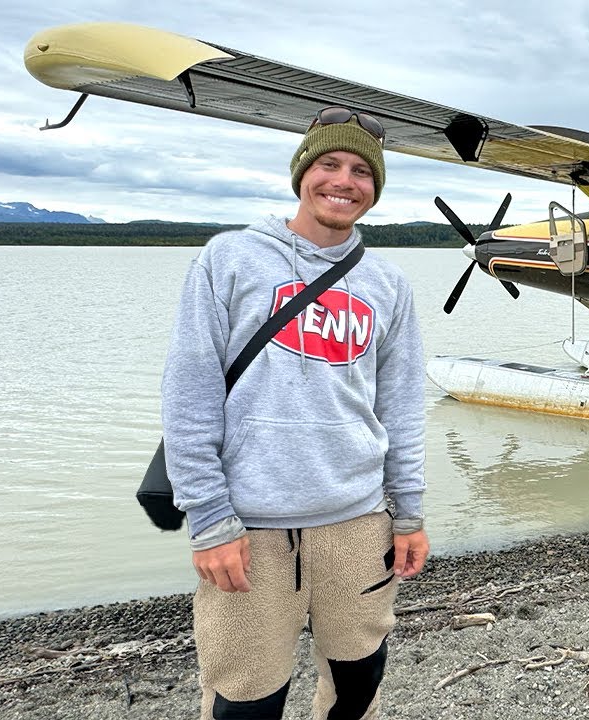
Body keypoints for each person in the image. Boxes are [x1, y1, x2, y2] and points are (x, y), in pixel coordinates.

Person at [161, 107, 429, 720]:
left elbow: (401, 409)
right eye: (329, 164)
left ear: (375, 189)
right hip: (249, 528)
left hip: (360, 524)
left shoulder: (388, 283)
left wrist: (408, 513)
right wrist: (209, 521)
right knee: (245, 698)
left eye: (362, 171)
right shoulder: (228, 258)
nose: (344, 181)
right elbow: (189, 394)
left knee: (358, 680)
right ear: (302, 174)